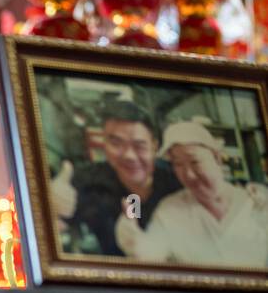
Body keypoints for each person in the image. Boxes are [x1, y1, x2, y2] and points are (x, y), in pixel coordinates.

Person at [115, 119, 268, 268]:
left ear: (217, 158)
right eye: (178, 164)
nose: (188, 174)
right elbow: (151, 256)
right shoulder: (170, 211)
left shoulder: (257, 202)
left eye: (195, 161)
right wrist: (134, 240)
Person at [49, 97, 179, 256]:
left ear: (155, 147)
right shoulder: (85, 181)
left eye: (139, 146)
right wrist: (49, 204)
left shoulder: (178, 181)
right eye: (116, 143)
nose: (129, 156)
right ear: (104, 144)